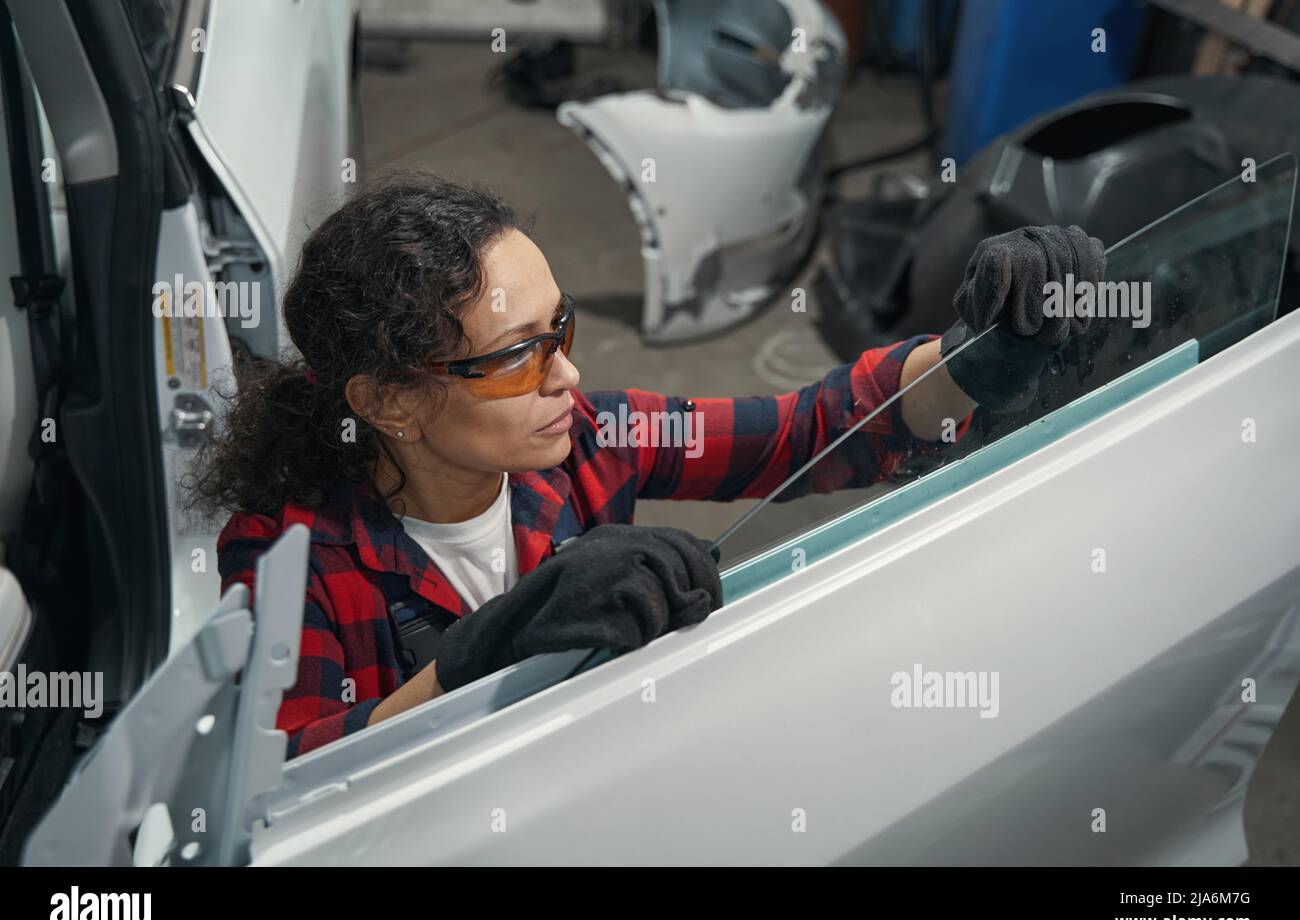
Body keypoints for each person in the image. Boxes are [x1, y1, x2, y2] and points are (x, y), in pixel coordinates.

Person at [193, 171, 1105, 757]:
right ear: (388, 401)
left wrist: (973, 355)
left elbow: (810, 431)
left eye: (560, 329)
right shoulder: (292, 556)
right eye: (517, 356)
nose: (569, 375)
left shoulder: (588, 440)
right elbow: (280, 790)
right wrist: (480, 656)